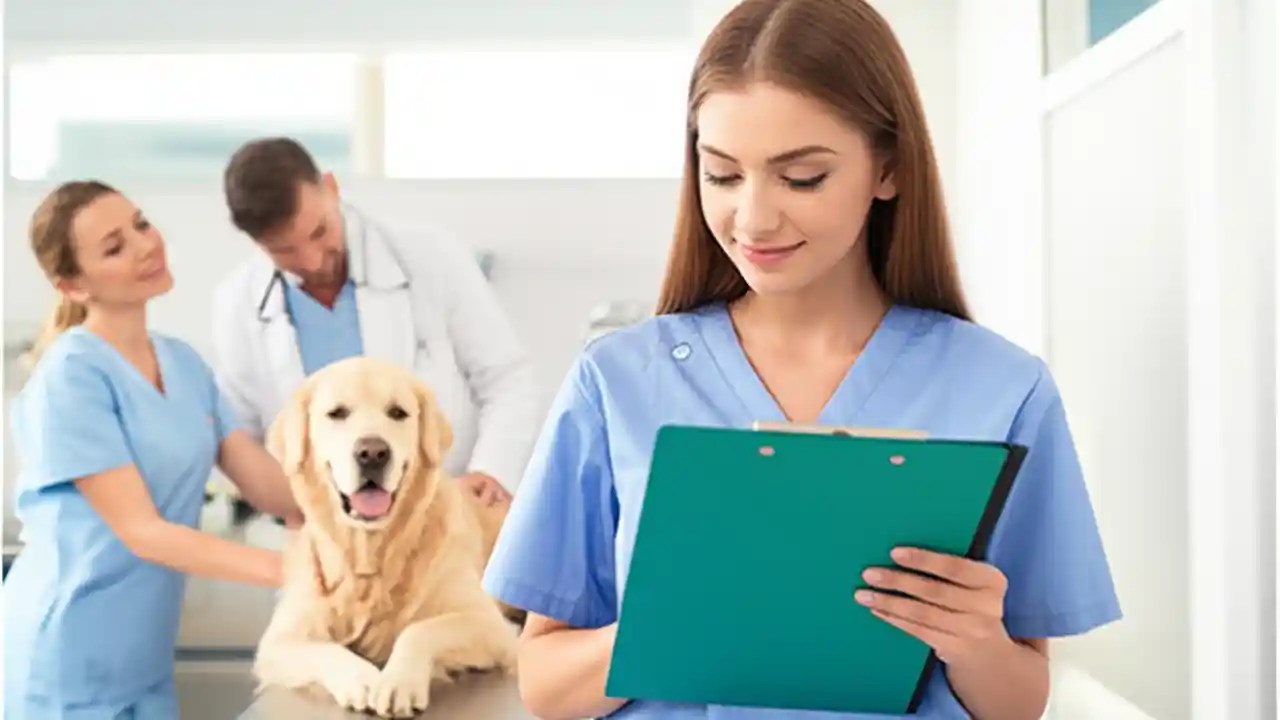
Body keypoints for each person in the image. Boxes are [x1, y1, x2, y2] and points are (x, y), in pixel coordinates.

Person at [481, 1, 1122, 718]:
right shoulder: (618, 381)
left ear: (890, 168)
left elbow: (1019, 702)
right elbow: (542, 684)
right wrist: (676, 624)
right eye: (722, 175)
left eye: (802, 178)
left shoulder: (1003, 391)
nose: (753, 219)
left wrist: (973, 642)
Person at [3, 180, 303, 718]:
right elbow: (143, 531)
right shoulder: (72, 375)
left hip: (142, 663)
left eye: (140, 224)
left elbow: (270, 488)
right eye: (115, 247)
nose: (145, 245)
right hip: (64, 661)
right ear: (72, 286)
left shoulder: (184, 364)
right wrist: (293, 570)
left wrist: (388, 509)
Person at [211, 137, 541, 507]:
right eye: (284, 251)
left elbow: (506, 378)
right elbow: (242, 441)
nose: (313, 261)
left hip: (447, 511)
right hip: (325, 531)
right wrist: (288, 505)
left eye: (319, 232)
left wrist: (491, 471)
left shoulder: (430, 256)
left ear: (331, 188)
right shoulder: (237, 304)